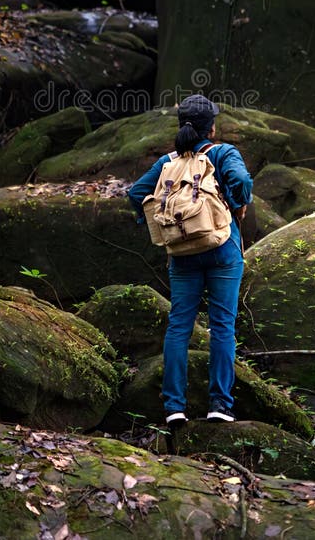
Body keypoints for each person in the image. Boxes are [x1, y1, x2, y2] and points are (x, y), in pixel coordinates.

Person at [127, 94, 252, 425]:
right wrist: (238, 204)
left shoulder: (168, 161)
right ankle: (219, 406)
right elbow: (240, 181)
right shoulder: (223, 152)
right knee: (222, 325)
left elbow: (136, 194)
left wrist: (166, 227)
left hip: (182, 256)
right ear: (211, 128)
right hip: (222, 249)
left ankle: (174, 408)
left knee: (179, 325)